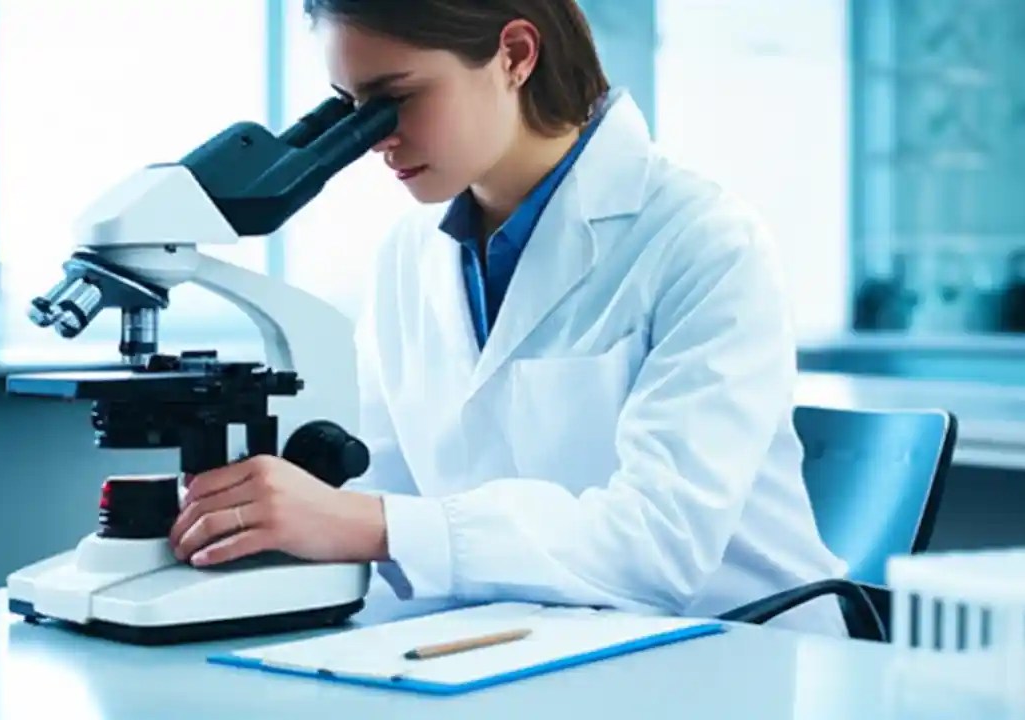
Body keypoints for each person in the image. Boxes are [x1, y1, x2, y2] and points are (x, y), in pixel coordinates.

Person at [168, 0, 848, 636]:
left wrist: (373, 524)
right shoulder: (409, 258)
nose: (373, 141)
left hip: (733, 654)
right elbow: (384, 495)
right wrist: (258, 529)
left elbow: (660, 545)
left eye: (395, 100)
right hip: (523, 649)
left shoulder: (703, 241)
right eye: (350, 110)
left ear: (516, 55)